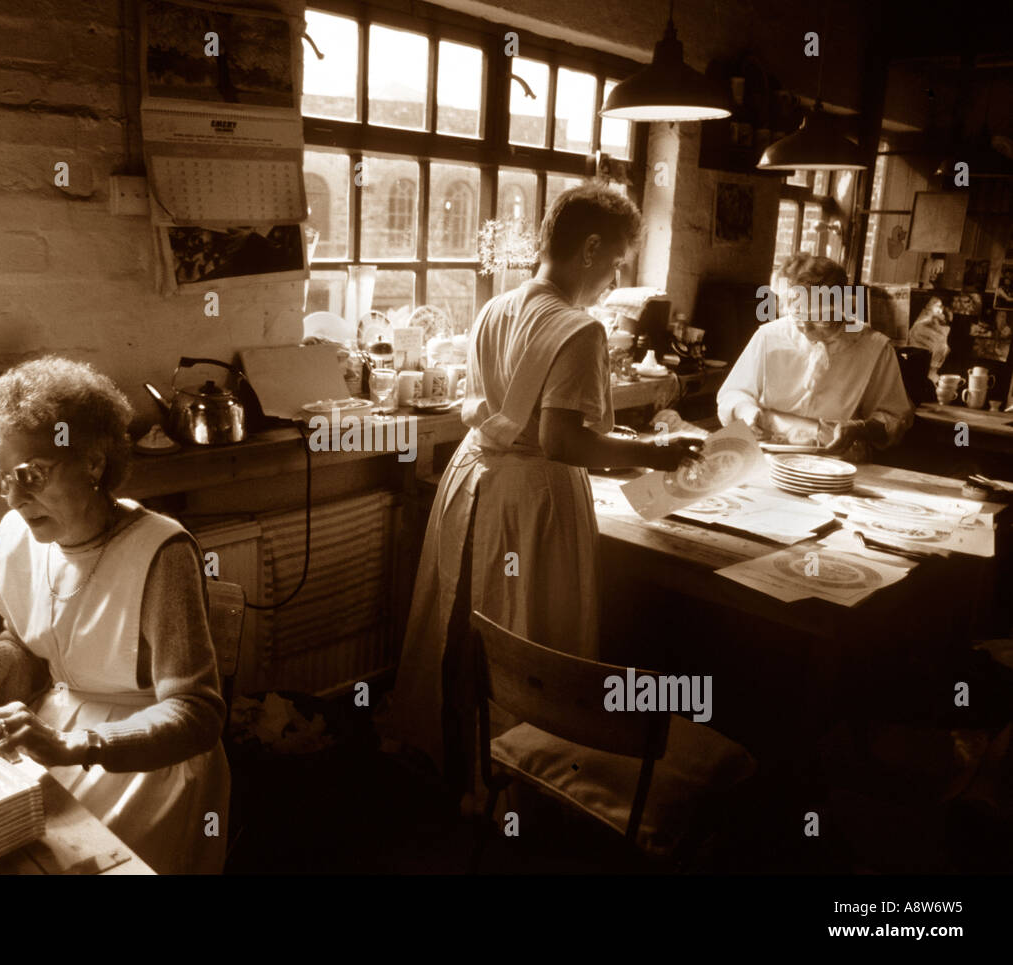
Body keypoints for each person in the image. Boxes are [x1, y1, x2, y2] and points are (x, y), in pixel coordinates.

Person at [384, 183, 701, 790]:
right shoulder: (579, 329)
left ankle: (454, 762)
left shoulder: (495, 307)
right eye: (613, 264)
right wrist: (654, 452)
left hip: (473, 480)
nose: (613, 281)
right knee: (526, 633)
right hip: (529, 498)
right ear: (588, 248)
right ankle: (518, 774)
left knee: (463, 621)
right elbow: (563, 443)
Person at [0, 357, 228, 874]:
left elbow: (198, 715)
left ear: (94, 463)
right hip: (60, 734)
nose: (13, 498)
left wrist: (76, 745)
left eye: (30, 475)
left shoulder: (161, 553)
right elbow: (33, 663)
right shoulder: (18, 538)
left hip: (145, 761)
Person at [717, 254, 914, 461]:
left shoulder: (874, 348)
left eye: (818, 317)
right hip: (767, 454)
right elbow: (733, 393)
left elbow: (895, 418)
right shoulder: (769, 336)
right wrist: (747, 412)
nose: (806, 327)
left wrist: (860, 429)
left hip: (836, 460)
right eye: (798, 315)